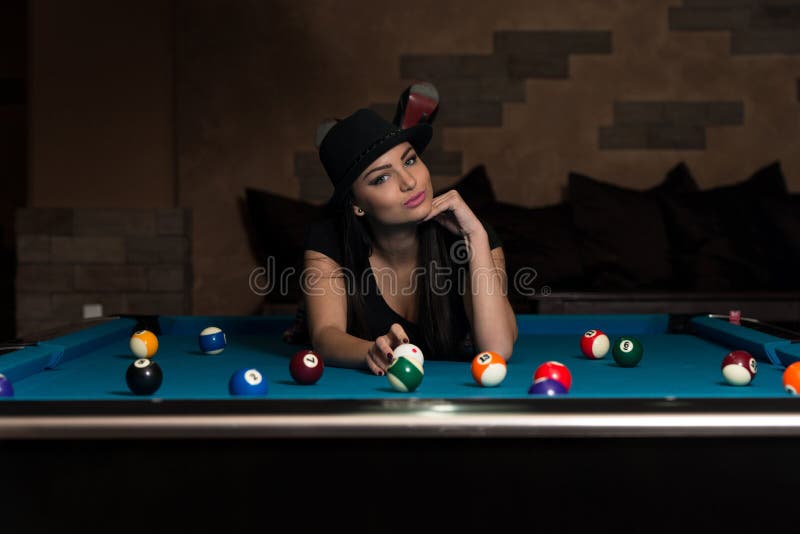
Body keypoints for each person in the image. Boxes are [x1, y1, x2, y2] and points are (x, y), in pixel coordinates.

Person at [302, 103, 517, 376]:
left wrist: (475, 237)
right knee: (309, 314)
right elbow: (325, 335)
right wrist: (370, 351)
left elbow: (497, 349)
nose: (409, 182)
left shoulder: (473, 235)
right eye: (381, 178)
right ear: (357, 204)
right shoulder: (328, 238)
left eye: (410, 160)